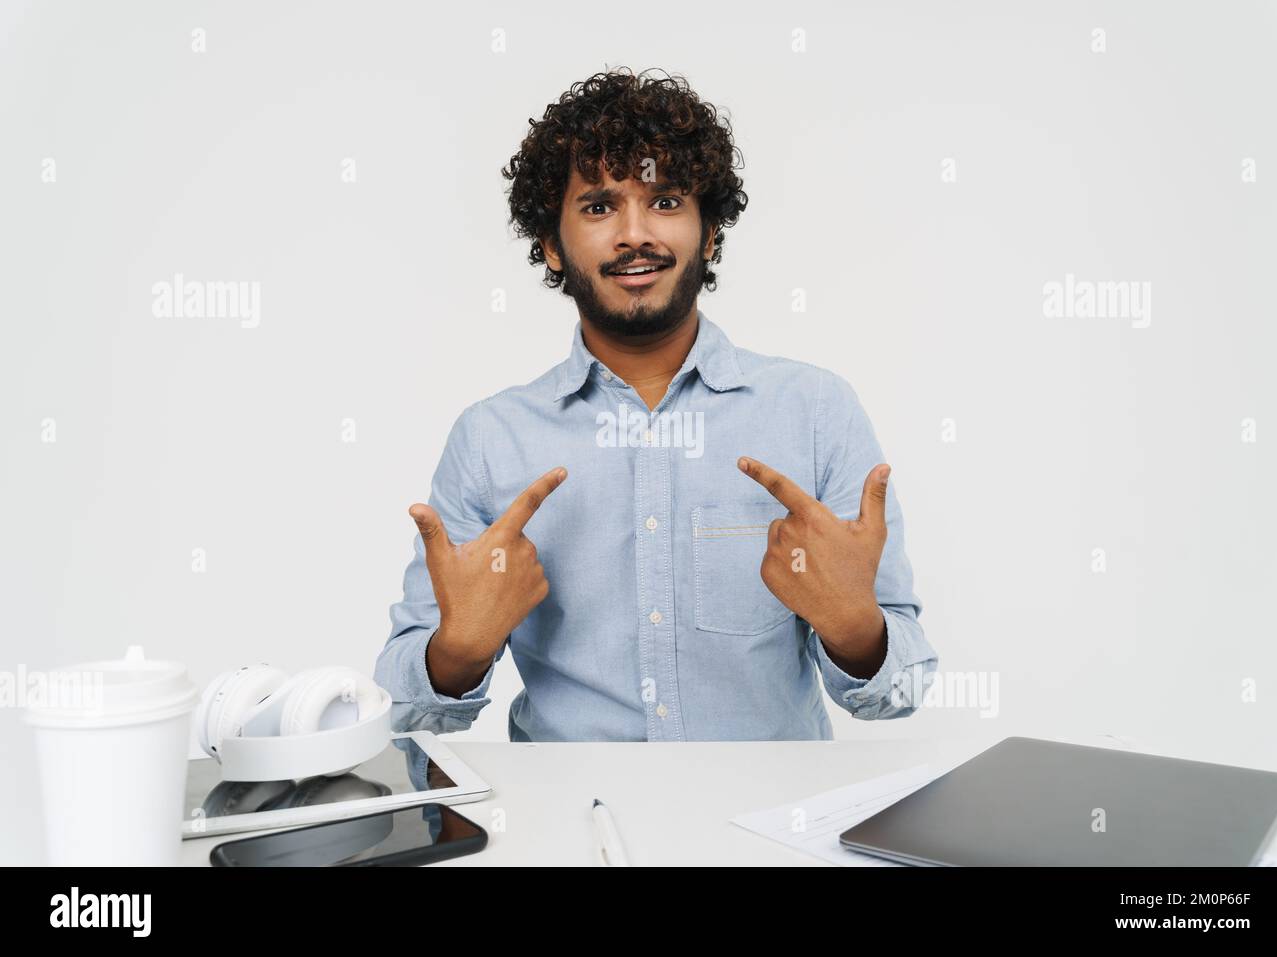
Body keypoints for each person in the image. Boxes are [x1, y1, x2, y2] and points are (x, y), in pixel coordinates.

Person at [375, 68, 937, 741]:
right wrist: (457, 651)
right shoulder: (491, 438)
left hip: (761, 832)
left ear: (710, 234)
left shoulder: (815, 411)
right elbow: (402, 707)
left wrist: (855, 629)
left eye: (666, 201)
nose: (634, 234)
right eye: (598, 206)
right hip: (573, 825)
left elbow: (901, 690)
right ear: (551, 243)